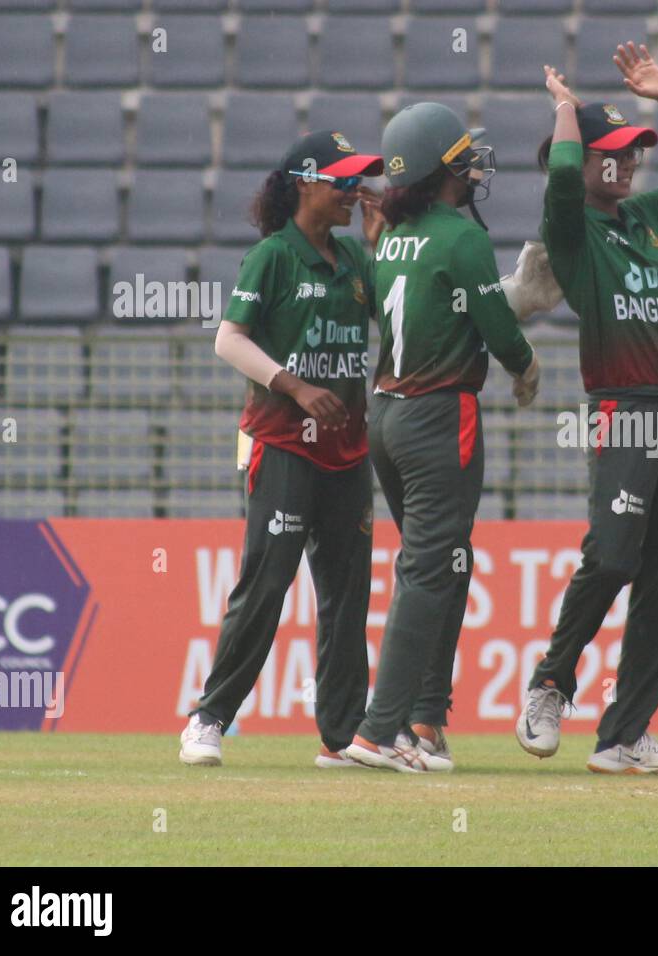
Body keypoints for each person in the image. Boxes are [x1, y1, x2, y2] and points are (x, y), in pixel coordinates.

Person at [514, 45, 658, 774]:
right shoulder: (570, 229)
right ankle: (550, 683)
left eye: (635, 150)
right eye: (617, 152)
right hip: (626, 410)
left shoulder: (644, 216)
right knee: (612, 555)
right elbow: (568, 172)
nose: (631, 162)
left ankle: (624, 736)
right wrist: (566, 113)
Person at [343, 103, 540, 773]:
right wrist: (527, 367)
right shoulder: (460, 236)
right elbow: (496, 326)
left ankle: (426, 720)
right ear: (438, 167)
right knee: (430, 570)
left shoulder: (392, 237)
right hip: (437, 417)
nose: (474, 163)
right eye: (462, 155)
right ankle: (380, 731)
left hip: (386, 417)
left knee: (445, 565)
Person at [179, 131, 383, 769]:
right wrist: (294, 385)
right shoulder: (272, 256)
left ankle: (342, 737)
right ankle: (208, 720)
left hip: (348, 453)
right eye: (342, 181)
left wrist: (381, 248)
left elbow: (398, 315)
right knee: (267, 584)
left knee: (347, 593)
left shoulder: (354, 259)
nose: (354, 192)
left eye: (359, 181)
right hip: (283, 444)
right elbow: (228, 339)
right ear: (306, 182)